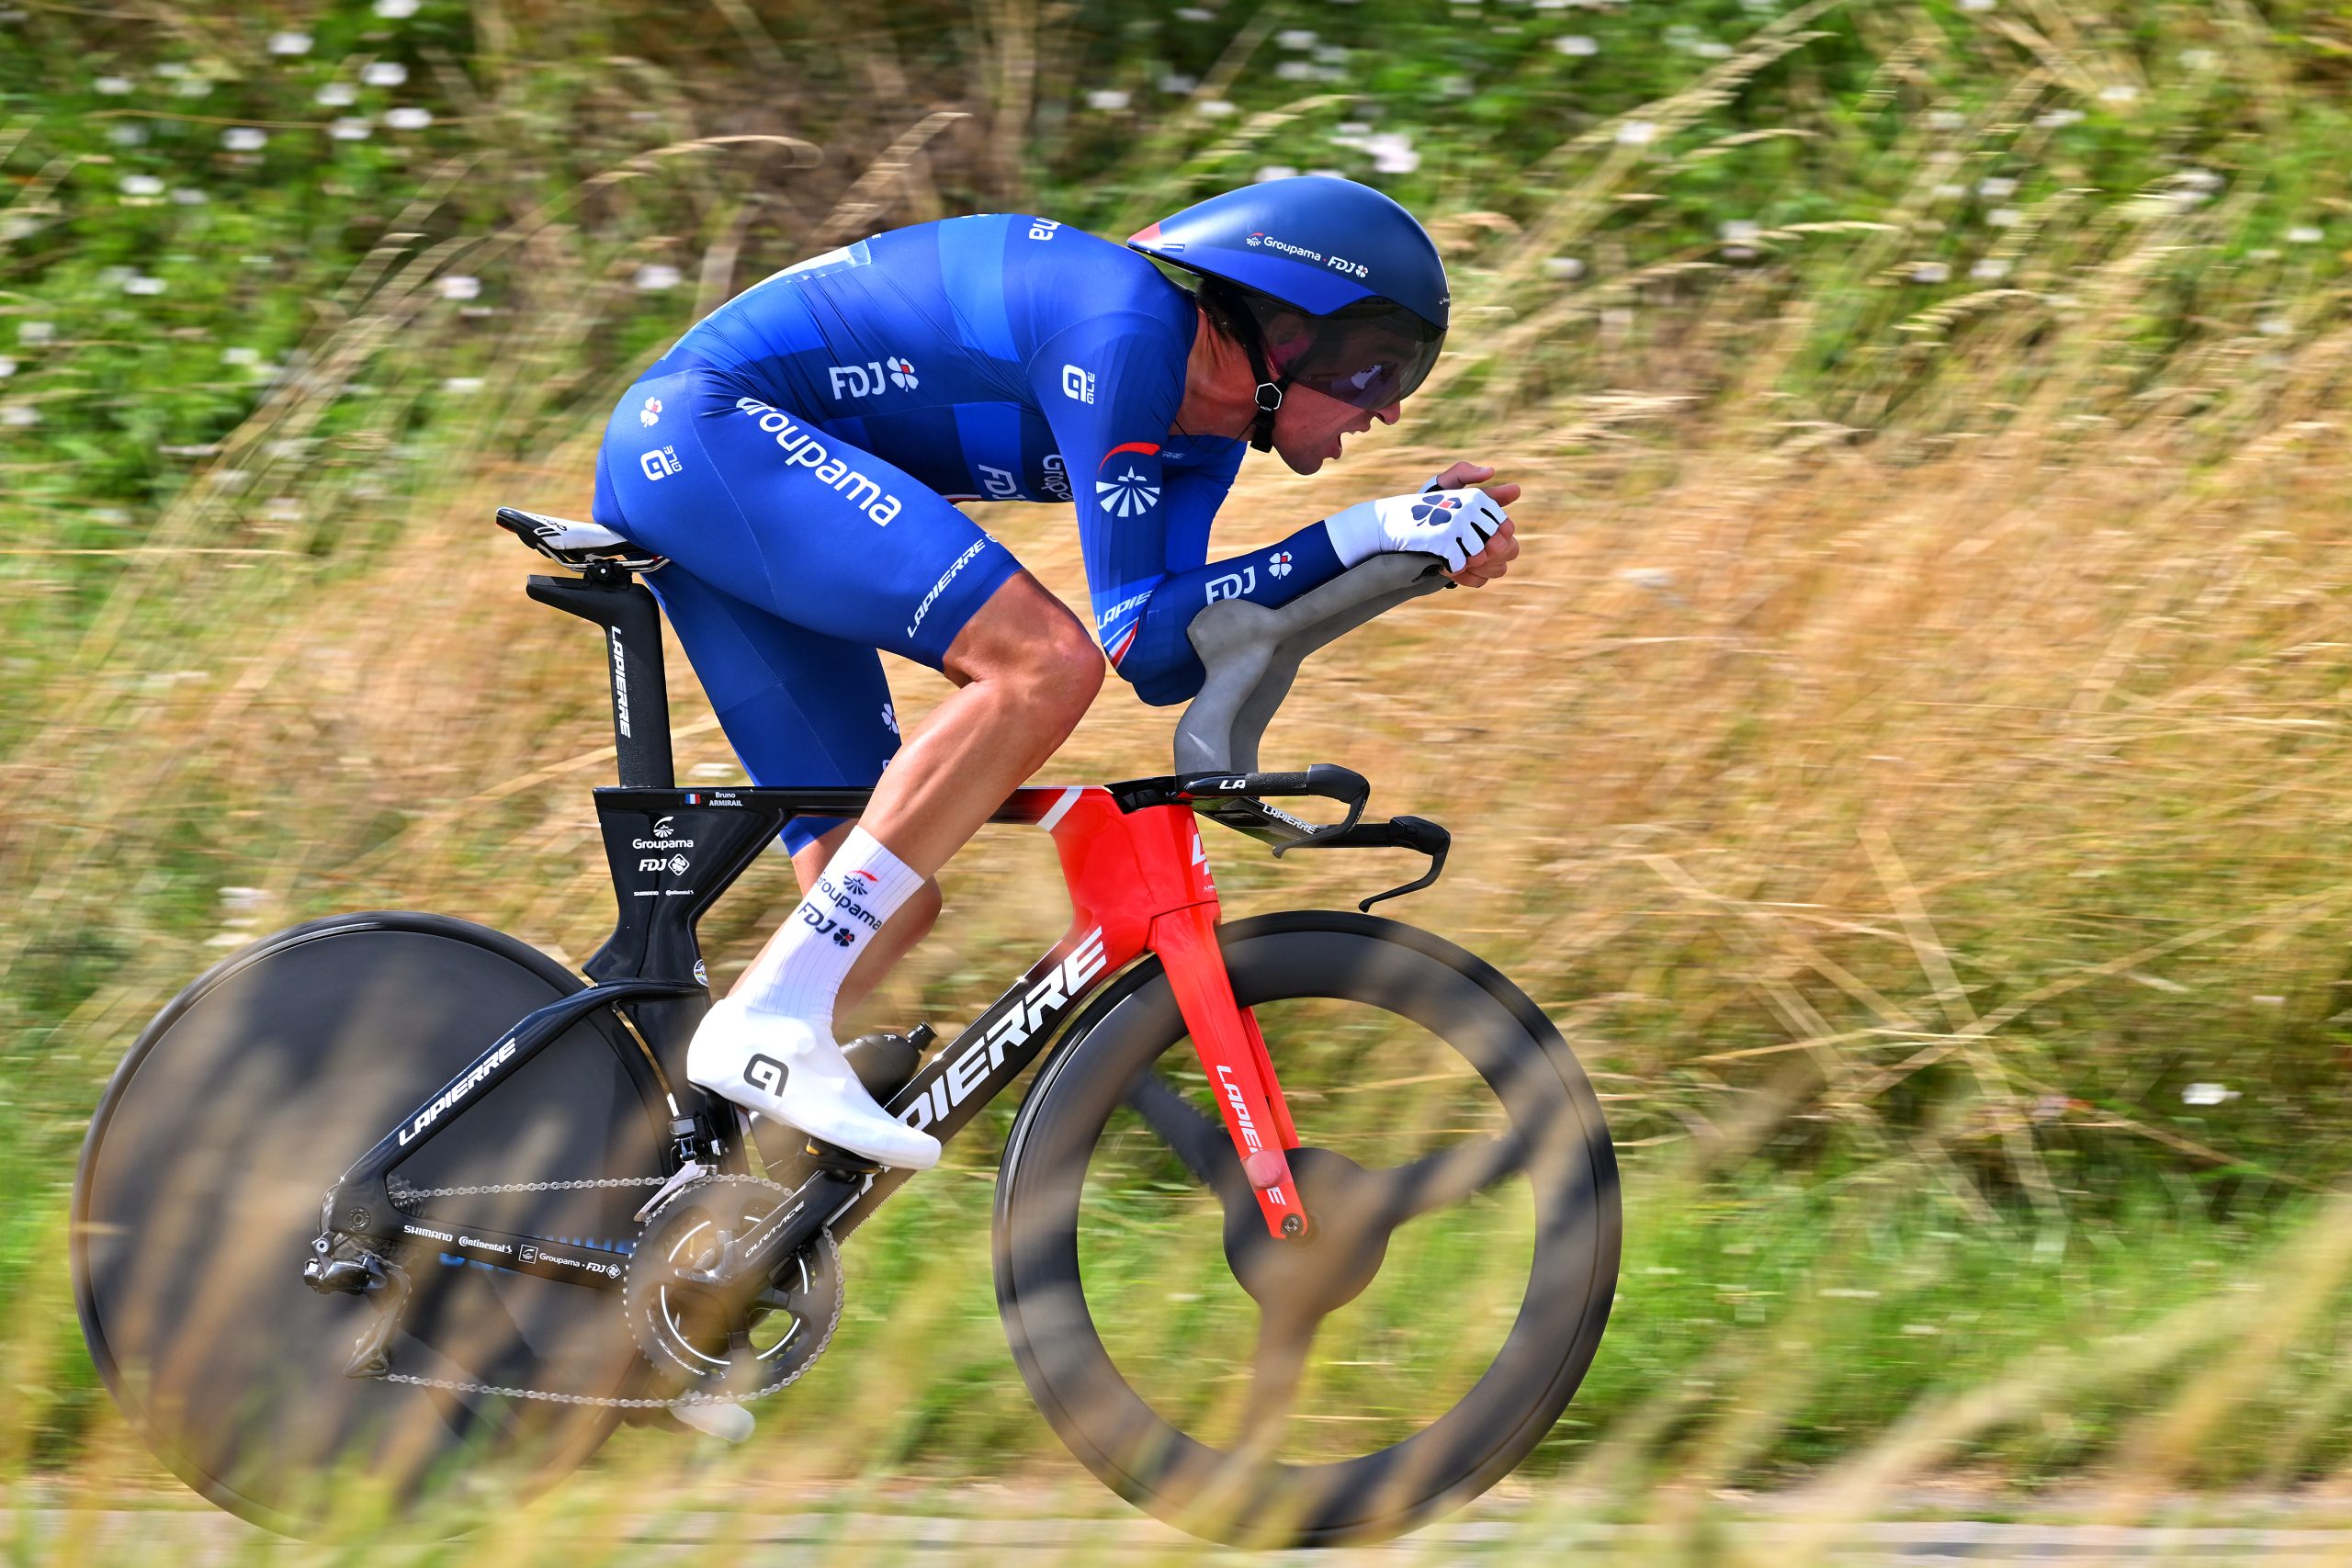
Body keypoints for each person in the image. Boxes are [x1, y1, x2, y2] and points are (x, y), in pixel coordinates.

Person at [592, 175, 1520, 1179]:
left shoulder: (1200, 435)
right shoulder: (1125, 331)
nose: (1385, 414)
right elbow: (1104, 649)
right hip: (707, 433)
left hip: (719, 466)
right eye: (1378, 371)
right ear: (1287, 333)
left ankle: (659, 1189)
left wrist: (1397, 554)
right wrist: (1363, 528)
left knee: (882, 897)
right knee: (1037, 665)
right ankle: (770, 1019)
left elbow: (1160, 650)